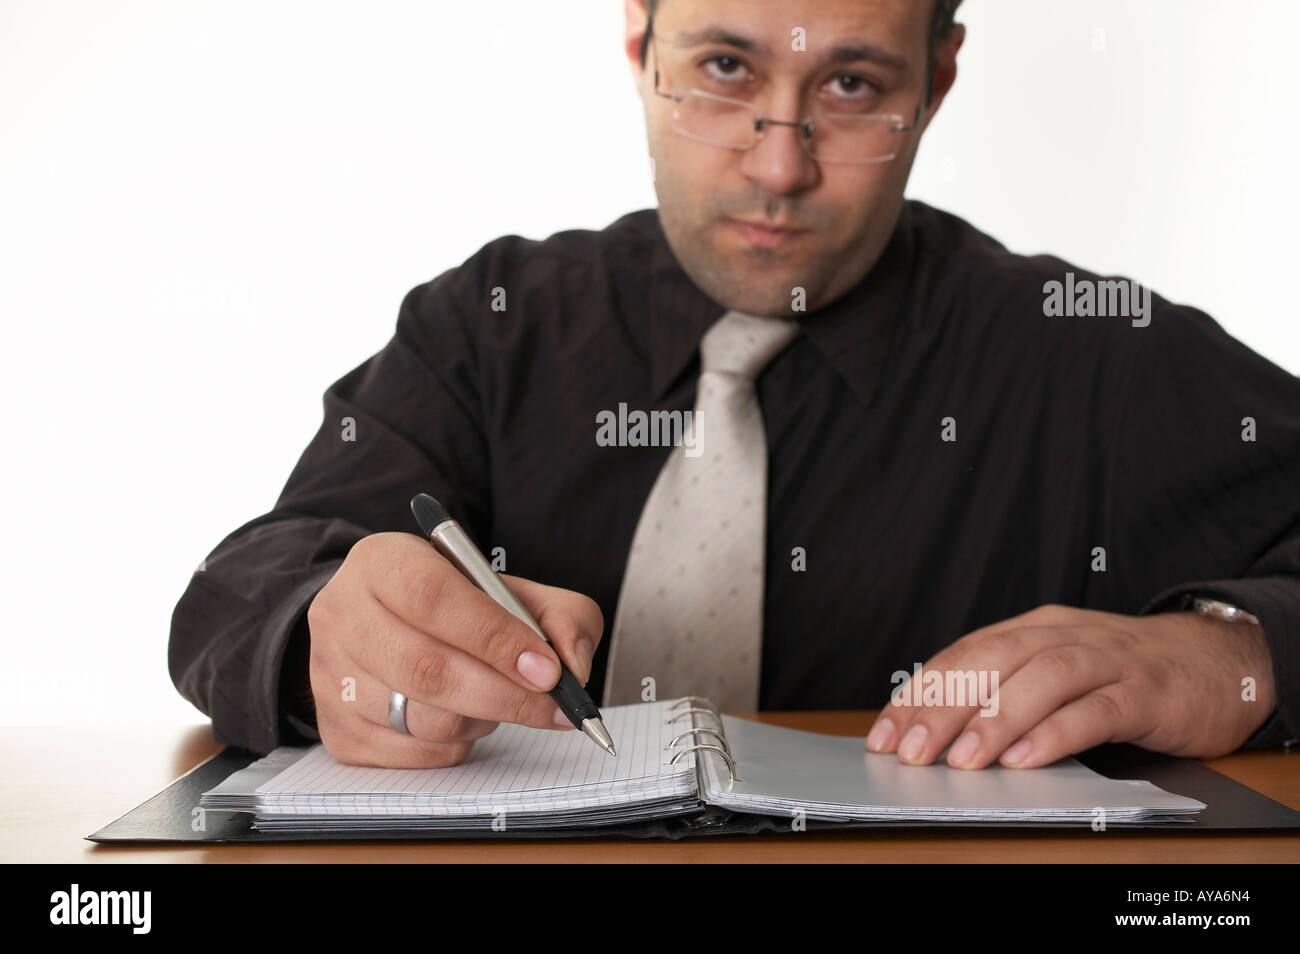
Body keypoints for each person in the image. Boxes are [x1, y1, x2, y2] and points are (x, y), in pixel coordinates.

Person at [169, 0, 1300, 772]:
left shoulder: (1092, 356)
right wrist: (326, 636)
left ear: (939, 80)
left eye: (852, 84)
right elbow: (241, 588)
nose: (778, 163)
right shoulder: (486, 330)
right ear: (638, 43)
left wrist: (1237, 652)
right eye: (723, 69)